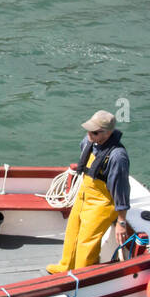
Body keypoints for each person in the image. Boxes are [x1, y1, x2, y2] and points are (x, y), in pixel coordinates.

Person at [46, 110, 131, 274]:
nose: (89, 134)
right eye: (89, 129)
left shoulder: (117, 157)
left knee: (87, 242)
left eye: (94, 131)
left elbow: (121, 189)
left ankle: (82, 275)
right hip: (84, 195)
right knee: (72, 233)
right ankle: (66, 266)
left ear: (108, 133)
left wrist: (121, 221)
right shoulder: (89, 141)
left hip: (102, 203)